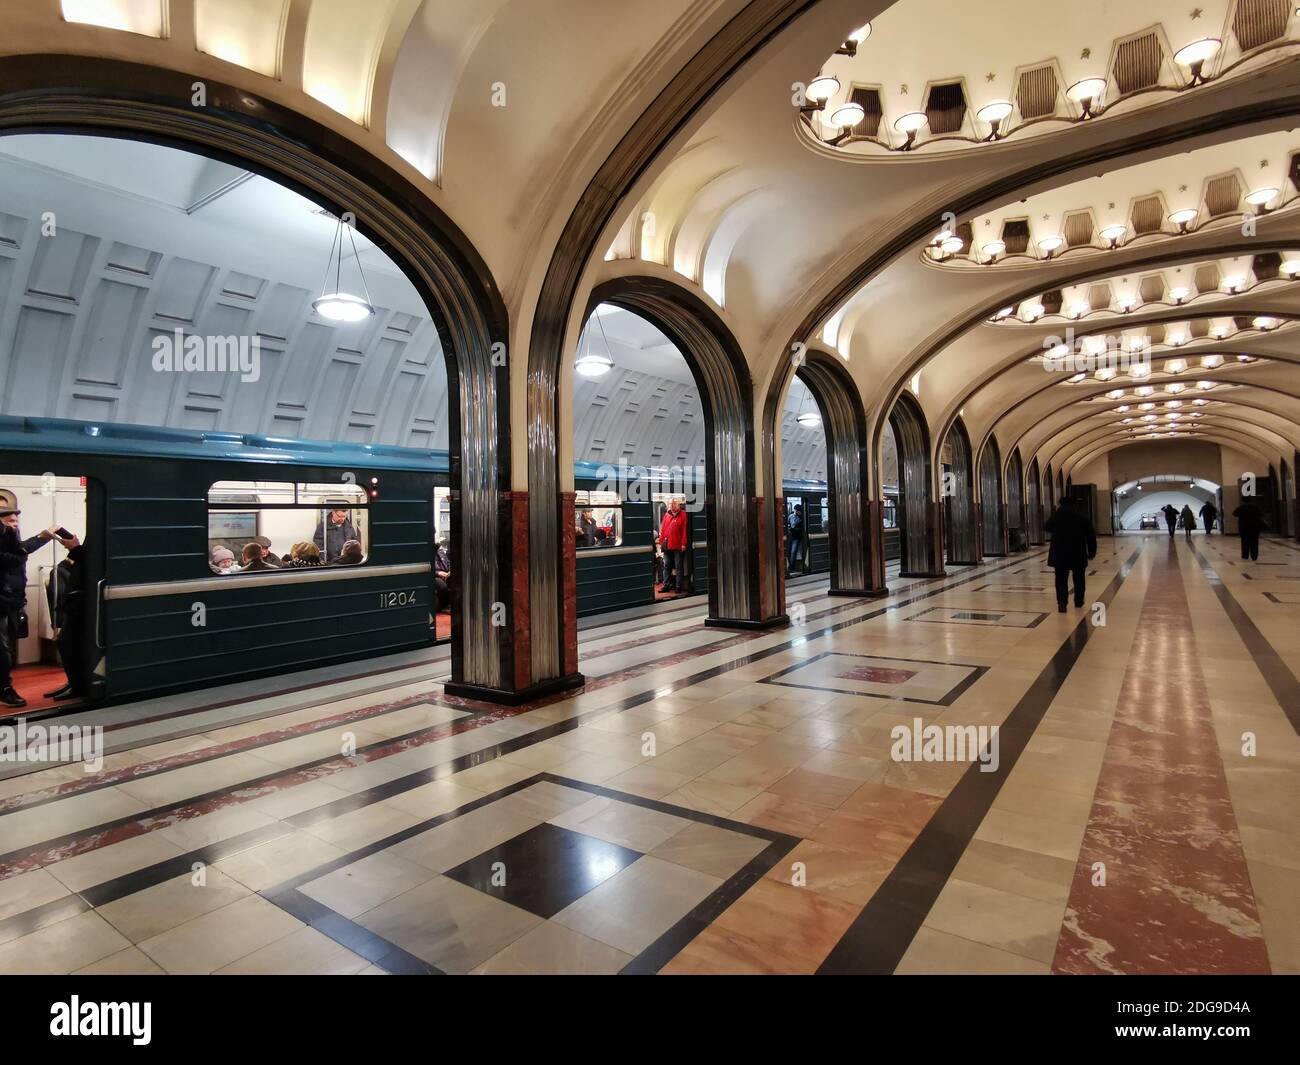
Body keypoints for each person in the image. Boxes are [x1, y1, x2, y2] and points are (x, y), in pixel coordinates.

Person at [0, 506, 61, 709]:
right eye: (9, 521)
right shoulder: (9, 548)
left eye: (16, 522)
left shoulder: (10, 544)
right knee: (3, 650)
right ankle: (4, 689)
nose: (14, 525)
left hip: (11, 603)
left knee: (5, 647)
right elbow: (15, 556)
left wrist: (42, 537)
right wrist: (39, 539)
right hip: (3, 603)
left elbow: (19, 551)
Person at [44, 531, 87, 702]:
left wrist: (75, 549)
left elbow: (91, 563)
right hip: (75, 602)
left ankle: (77, 684)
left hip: (80, 602)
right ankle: (73, 682)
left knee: (68, 643)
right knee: (66, 643)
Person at [1045, 499, 1097, 613]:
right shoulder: (1082, 518)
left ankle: (1062, 604)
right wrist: (1092, 552)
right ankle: (1079, 601)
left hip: (1060, 555)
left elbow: (1046, 527)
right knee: (1079, 579)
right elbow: (1091, 537)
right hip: (1078, 554)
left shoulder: (1056, 517)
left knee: (1060, 580)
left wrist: (1057, 515)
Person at [659, 497, 689, 593]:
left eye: (674, 503)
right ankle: (666, 585)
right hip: (667, 545)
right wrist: (660, 543)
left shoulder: (683, 515)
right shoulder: (666, 515)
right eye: (671, 504)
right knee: (666, 565)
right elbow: (663, 530)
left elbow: (685, 531)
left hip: (678, 546)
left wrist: (683, 543)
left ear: (679, 505)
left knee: (678, 566)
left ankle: (678, 586)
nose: (672, 505)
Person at [434, 540, 451, 612]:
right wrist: (438, 573)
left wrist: (450, 571)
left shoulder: (441, 553)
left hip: (446, 573)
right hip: (435, 575)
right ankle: (443, 606)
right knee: (442, 586)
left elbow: (448, 563)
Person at [787, 504, 804, 573]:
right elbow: (791, 525)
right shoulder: (791, 516)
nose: (801, 512)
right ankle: (791, 567)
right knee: (792, 552)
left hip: (797, 537)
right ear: (796, 511)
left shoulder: (800, 517)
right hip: (793, 536)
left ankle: (792, 567)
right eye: (799, 511)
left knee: (794, 552)